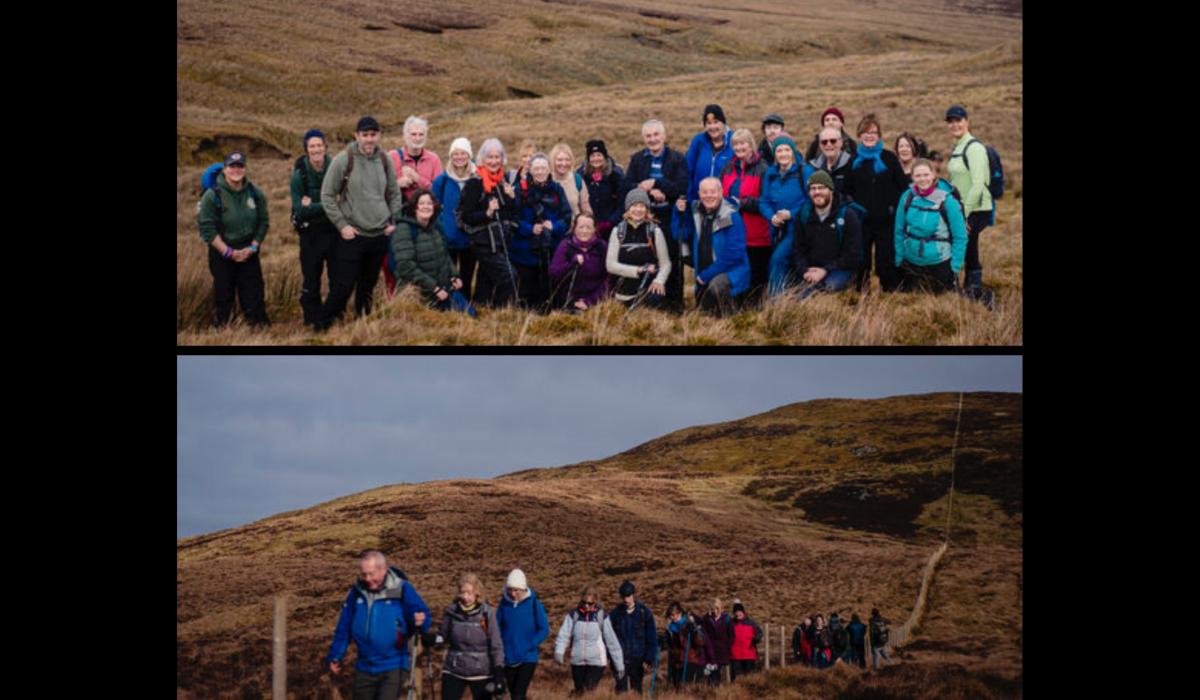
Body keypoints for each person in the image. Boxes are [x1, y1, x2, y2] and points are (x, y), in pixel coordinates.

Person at [315, 116, 404, 332]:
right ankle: (323, 326)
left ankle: (362, 324)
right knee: (343, 286)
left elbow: (394, 192)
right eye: (365, 135)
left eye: (373, 134)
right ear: (357, 136)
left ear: (379, 135)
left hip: (379, 235)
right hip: (352, 235)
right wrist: (342, 225)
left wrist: (393, 220)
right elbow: (327, 195)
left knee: (367, 286)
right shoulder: (343, 160)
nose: (369, 139)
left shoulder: (384, 160)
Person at [325, 551, 432, 700]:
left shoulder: (402, 589)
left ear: (384, 569)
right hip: (364, 666)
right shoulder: (356, 593)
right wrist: (336, 655)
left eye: (371, 574)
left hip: (393, 664)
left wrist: (421, 619)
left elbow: (421, 613)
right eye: (364, 574)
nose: (368, 579)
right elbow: (344, 626)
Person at [622, 119, 689, 313]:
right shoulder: (637, 159)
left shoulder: (677, 158)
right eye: (648, 136)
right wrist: (648, 191)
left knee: (671, 259)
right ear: (644, 139)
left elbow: (681, 186)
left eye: (656, 135)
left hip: (669, 217)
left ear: (664, 136)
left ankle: (675, 305)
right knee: (648, 259)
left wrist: (657, 183)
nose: (653, 139)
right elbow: (626, 185)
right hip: (643, 218)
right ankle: (650, 302)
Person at [198, 151, 270, 328]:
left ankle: (259, 328)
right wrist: (228, 252)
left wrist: (253, 246)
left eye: (240, 166)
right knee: (224, 294)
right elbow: (207, 228)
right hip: (222, 250)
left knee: (253, 292)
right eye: (232, 166)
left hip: (249, 250)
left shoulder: (254, 192)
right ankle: (224, 330)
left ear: (245, 169)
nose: (236, 170)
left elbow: (264, 221)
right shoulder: (211, 196)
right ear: (225, 169)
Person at [383, 116, 445, 295]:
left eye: (421, 134)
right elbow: (380, 188)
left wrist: (418, 180)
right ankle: (395, 298)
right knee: (394, 261)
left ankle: (422, 297)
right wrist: (397, 183)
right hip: (399, 219)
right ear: (405, 135)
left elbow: (437, 191)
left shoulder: (433, 159)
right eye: (413, 134)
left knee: (423, 261)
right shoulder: (392, 157)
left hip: (425, 220)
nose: (417, 138)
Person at [845, 113, 907, 293]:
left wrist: (893, 207)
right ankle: (861, 293)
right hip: (861, 221)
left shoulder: (889, 158)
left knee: (885, 259)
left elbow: (902, 186)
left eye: (873, 132)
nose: (869, 136)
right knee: (862, 260)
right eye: (865, 132)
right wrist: (853, 207)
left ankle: (890, 291)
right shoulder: (854, 160)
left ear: (879, 135)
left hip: (886, 221)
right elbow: (847, 189)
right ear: (859, 136)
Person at [456, 138, 519, 307]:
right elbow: (465, 216)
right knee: (510, 276)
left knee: (486, 282)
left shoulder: (502, 182)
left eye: (497, 157)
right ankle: (499, 313)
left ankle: (481, 311)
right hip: (483, 244)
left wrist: (512, 198)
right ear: (482, 159)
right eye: (489, 157)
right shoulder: (475, 183)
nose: (494, 161)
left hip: (501, 242)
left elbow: (508, 214)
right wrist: (487, 213)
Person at [390, 189, 473, 315]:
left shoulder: (436, 227)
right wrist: (434, 288)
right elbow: (405, 266)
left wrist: (454, 275)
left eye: (429, 203)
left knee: (470, 316)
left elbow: (445, 255)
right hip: (421, 294)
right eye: (421, 203)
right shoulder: (404, 229)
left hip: (444, 289)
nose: (426, 207)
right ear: (414, 207)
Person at [894, 158, 967, 294]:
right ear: (912, 177)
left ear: (933, 175)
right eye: (918, 175)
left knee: (943, 303)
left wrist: (955, 267)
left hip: (940, 262)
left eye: (926, 175)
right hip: (911, 261)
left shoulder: (948, 201)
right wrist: (899, 257)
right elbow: (899, 229)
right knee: (911, 305)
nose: (923, 179)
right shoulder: (906, 197)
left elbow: (960, 236)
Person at [677, 177, 750, 314]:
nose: (709, 196)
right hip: (704, 273)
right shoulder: (696, 211)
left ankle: (731, 317)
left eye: (713, 192)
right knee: (703, 312)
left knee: (717, 288)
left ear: (721, 192)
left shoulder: (730, 216)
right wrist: (678, 213)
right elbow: (679, 233)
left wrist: (706, 275)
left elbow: (735, 254)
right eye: (705, 192)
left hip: (728, 273)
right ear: (699, 194)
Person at [786, 170, 861, 299]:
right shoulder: (803, 215)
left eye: (822, 188)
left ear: (831, 190)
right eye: (813, 188)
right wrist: (804, 271)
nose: (817, 192)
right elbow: (798, 249)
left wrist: (825, 270)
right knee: (798, 295)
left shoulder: (848, 215)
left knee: (827, 289)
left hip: (839, 269)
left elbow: (852, 255)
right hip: (811, 270)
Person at [944, 104, 995, 297]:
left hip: (977, 209)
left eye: (958, 120)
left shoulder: (974, 148)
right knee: (968, 246)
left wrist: (963, 215)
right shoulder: (959, 147)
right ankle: (966, 288)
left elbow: (978, 184)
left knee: (965, 243)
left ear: (967, 122)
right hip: (962, 208)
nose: (954, 125)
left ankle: (974, 289)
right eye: (951, 121)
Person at [757, 133, 814, 297]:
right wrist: (771, 217)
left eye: (787, 149)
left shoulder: (804, 171)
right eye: (779, 150)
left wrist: (791, 214)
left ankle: (776, 302)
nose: (783, 154)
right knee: (788, 264)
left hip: (798, 229)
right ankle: (793, 300)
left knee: (777, 260)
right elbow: (763, 201)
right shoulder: (770, 173)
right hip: (776, 230)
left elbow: (813, 201)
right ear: (774, 154)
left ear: (793, 151)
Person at [512, 152, 572, 309]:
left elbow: (567, 217)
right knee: (526, 290)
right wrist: (530, 228)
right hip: (525, 252)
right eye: (536, 168)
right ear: (530, 170)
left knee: (549, 288)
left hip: (551, 249)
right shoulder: (520, 190)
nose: (540, 172)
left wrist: (554, 226)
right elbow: (513, 219)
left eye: (543, 168)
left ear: (549, 170)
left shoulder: (557, 190)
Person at [290, 129, 336, 326]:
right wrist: (329, 204)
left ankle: (333, 315)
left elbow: (344, 203)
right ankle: (312, 319)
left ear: (325, 147)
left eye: (319, 145)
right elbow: (300, 211)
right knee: (311, 278)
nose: (316, 149)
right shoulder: (298, 175)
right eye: (312, 146)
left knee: (337, 276)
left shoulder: (335, 168)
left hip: (334, 231)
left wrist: (313, 206)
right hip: (310, 234)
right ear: (306, 150)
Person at [721, 128, 770, 304]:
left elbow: (766, 203)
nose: (739, 147)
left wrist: (742, 203)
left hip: (756, 235)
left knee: (756, 278)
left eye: (743, 143)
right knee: (737, 276)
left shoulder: (763, 169)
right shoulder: (727, 168)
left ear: (751, 145)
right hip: (732, 233)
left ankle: (756, 315)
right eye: (735, 144)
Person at [438, 573, 505, 700]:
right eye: (462, 593)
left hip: (481, 672)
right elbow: (443, 635)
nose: (465, 597)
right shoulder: (451, 611)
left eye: (469, 593)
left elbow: (496, 644)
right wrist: (433, 638)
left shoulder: (487, 613)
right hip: (454, 668)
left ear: (477, 593)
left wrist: (499, 669)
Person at [554, 585, 625, 695]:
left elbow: (612, 642)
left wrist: (619, 665)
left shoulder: (602, 617)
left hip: (596, 662)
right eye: (584, 602)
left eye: (590, 603)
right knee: (579, 692)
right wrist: (559, 651)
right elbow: (563, 635)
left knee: (587, 691)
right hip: (577, 661)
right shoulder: (574, 615)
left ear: (595, 602)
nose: (586, 606)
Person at [431, 137, 477, 302]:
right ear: (450, 156)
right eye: (455, 154)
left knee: (467, 275)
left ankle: (465, 307)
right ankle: (449, 306)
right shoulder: (441, 180)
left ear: (469, 155)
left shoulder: (476, 178)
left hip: (470, 239)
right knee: (448, 277)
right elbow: (432, 209)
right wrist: (441, 227)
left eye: (463, 153)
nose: (459, 157)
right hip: (447, 240)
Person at [607, 190, 671, 310]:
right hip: (622, 293)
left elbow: (665, 264)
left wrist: (659, 280)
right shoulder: (618, 231)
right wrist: (639, 270)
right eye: (634, 205)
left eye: (642, 206)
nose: (638, 209)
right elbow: (610, 265)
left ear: (647, 209)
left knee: (655, 300)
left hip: (647, 290)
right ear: (628, 209)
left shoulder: (655, 231)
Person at [495, 569, 550, 700]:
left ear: (523, 588)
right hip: (508, 658)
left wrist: (530, 644)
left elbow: (544, 629)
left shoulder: (534, 603)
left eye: (516, 590)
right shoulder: (503, 604)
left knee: (518, 695)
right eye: (510, 590)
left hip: (528, 657)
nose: (513, 594)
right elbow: (496, 628)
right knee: (515, 694)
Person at [549, 212, 608, 312]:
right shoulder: (565, 245)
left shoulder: (602, 247)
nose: (584, 231)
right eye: (581, 227)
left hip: (596, 301)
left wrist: (591, 301)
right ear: (574, 229)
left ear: (594, 229)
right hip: (569, 301)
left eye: (588, 227)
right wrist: (572, 264)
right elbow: (554, 274)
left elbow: (609, 279)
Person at [608, 581, 658, 695]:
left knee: (637, 690)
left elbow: (652, 637)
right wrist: (608, 656)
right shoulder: (615, 614)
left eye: (628, 596)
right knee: (621, 691)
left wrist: (649, 658)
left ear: (633, 595)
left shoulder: (644, 613)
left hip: (638, 659)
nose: (626, 599)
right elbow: (608, 637)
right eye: (624, 597)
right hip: (619, 658)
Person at [579, 140, 625, 240]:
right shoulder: (581, 176)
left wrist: (609, 223)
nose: (596, 158)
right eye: (592, 156)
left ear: (604, 157)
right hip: (587, 228)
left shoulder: (615, 176)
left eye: (599, 155)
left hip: (611, 227)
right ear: (588, 158)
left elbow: (622, 204)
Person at [664, 603, 708, 689]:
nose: (673, 617)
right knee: (676, 688)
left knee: (686, 688)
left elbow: (701, 642)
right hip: (676, 662)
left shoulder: (688, 624)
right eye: (671, 615)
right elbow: (670, 646)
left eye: (674, 614)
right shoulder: (670, 628)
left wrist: (694, 632)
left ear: (680, 613)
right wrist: (663, 642)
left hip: (689, 660)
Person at [549, 142, 592, 221]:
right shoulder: (547, 180)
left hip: (574, 230)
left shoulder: (577, 179)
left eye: (567, 160)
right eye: (559, 160)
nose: (564, 163)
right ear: (553, 160)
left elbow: (586, 208)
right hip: (551, 229)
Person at [697, 598, 734, 686]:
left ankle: (716, 692)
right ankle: (710, 691)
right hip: (710, 651)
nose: (715, 611)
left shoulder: (727, 619)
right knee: (709, 673)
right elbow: (703, 632)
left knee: (717, 673)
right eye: (713, 608)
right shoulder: (706, 619)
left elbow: (731, 635)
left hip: (722, 651)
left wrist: (727, 646)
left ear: (721, 608)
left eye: (717, 608)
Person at [808, 126, 854, 196]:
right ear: (820, 145)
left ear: (841, 142)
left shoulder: (852, 165)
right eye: (824, 142)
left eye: (833, 141)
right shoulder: (813, 168)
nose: (828, 144)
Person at [728, 601, 763, 682]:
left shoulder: (751, 622)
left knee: (749, 679)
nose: (738, 613)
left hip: (749, 655)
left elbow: (759, 632)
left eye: (739, 611)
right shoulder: (731, 623)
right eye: (736, 612)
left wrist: (756, 639)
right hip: (735, 656)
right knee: (735, 679)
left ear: (743, 612)